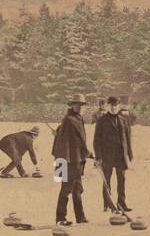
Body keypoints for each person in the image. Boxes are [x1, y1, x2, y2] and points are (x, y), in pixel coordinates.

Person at [52, 94, 91, 225]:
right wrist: (89, 154)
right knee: (67, 188)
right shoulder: (70, 120)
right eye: (77, 105)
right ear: (72, 106)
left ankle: (80, 216)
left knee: (77, 188)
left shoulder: (73, 119)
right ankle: (60, 218)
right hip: (69, 160)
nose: (80, 108)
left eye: (82, 105)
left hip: (74, 159)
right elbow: (79, 140)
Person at [93, 96, 133, 213]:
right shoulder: (101, 120)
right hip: (107, 156)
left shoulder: (123, 119)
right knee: (107, 180)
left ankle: (121, 204)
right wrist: (98, 156)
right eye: (112, 105)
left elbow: (128, 137)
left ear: (119, 106)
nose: (114, 107)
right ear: (108, 106)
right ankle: (107, 204)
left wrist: (129, 153)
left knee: (121, 180)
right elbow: (96, 140)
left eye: (116, 105)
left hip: (121, 156)